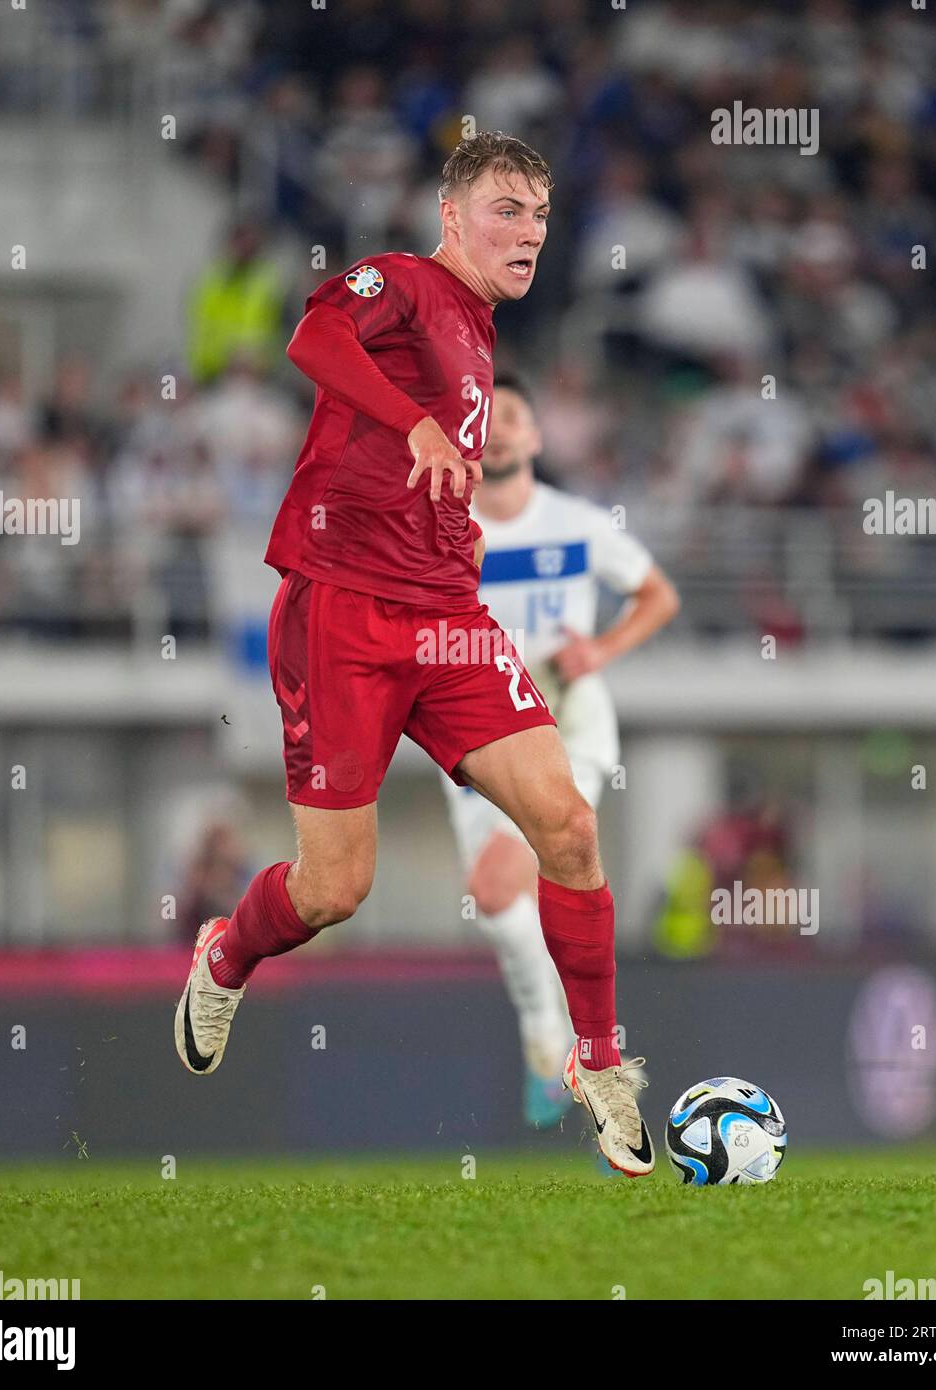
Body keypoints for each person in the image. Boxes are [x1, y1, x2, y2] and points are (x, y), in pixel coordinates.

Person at [174, 130, 656, 1176]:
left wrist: (453, 526)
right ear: (452, 216)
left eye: (539, 215)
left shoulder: (478, 330)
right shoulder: (399, 279)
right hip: (340, 611)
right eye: (505, 210)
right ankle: (227, 952)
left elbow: (423, 475)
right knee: (333, 887)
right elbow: (313, 339)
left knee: (570, 827)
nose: (528, 232)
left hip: (444, 615)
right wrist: (414, 426)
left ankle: (600, 1063)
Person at [442, 373, 679, 1128]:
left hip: (567, 726)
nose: (498, 431)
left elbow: (658, 595)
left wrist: (599, 651)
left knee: (506, 877)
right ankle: (567, 1045)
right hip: (476, 731)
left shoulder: (577, 524)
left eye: (513, 417)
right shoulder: (445, 530)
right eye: (486, 420)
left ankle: (555, 1046)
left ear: (537, 436)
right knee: (497, 899)